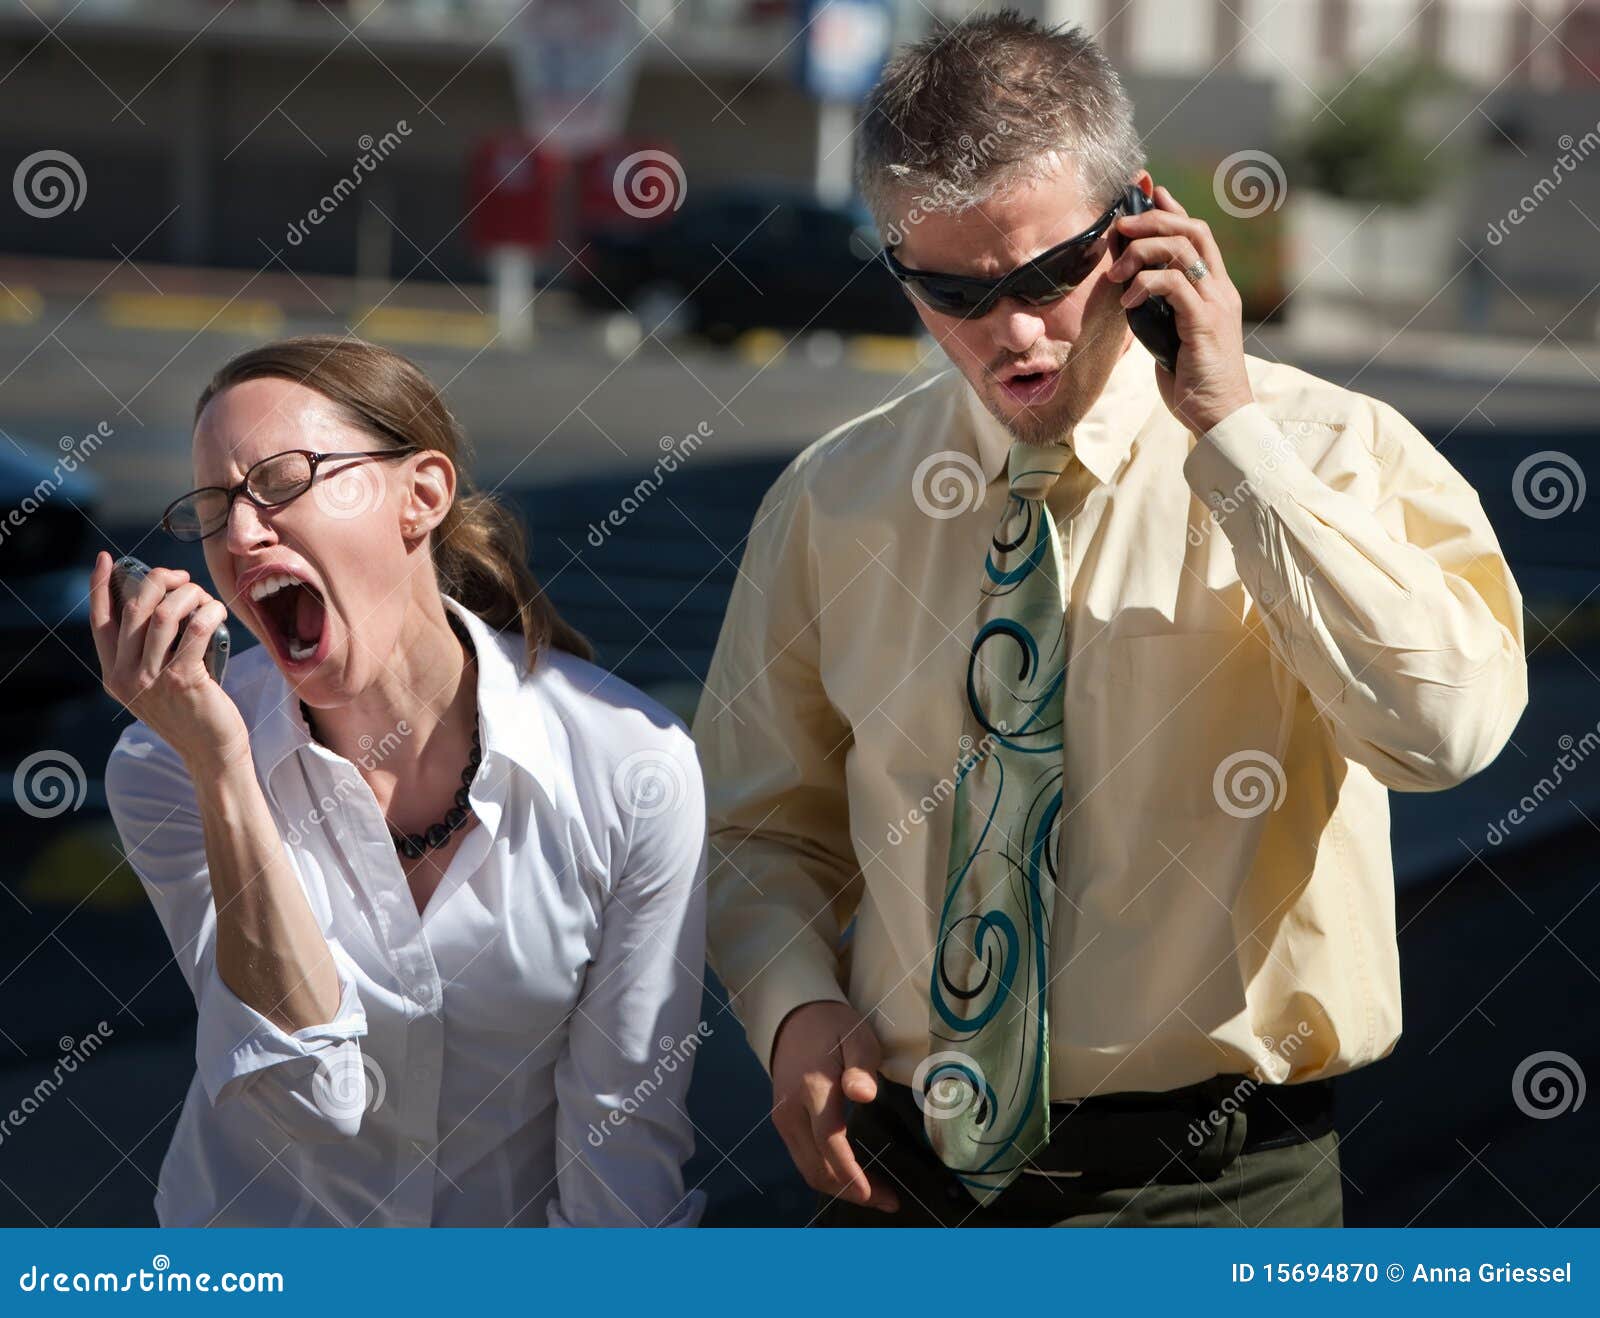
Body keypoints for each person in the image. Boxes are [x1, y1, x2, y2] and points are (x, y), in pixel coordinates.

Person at [693, 14, 1527, 1228]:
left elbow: (1442, 735)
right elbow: (757, 823)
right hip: (901, 1176)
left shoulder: (1334, 455)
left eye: (1044, 275)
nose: (1011, 331)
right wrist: (792, 1007)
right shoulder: (834, 499)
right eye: (952, 291)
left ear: (1138, 226)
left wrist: (1233, 441)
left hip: (1207, 1188)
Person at [97, 334, 707, 1227]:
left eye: (281, 481)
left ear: (420, 496)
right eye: (216, 507)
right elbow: (310, 1094)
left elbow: (623, 1157)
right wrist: (222, 768)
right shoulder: (168, 765)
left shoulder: (630, 766)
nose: (240, 535)